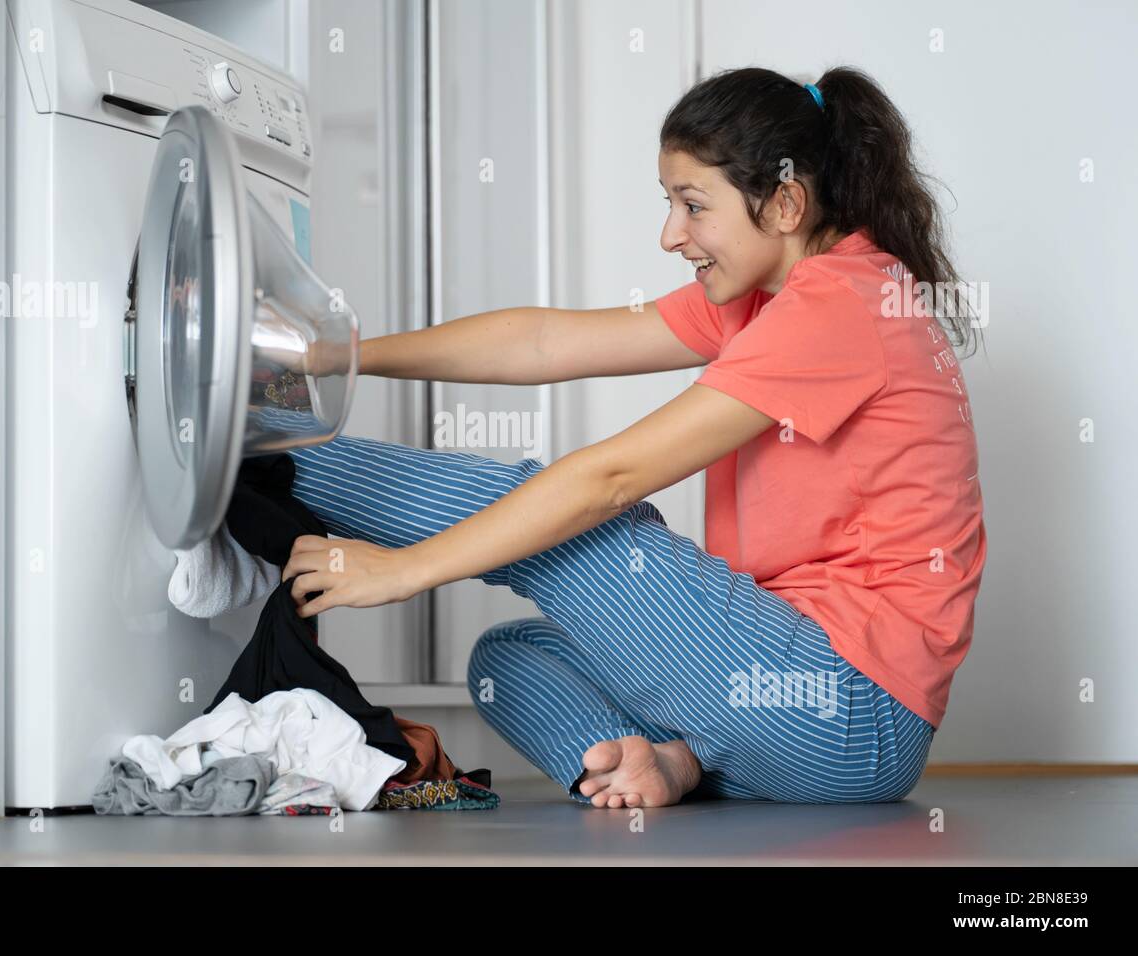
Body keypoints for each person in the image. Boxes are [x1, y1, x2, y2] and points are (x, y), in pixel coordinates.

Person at [279, 65, 987, 809]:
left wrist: (403, 570)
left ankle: (272, 465)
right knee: (509, 656)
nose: (671, 234)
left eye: (693, 206)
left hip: (843, 711)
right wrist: (342, 358)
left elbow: (609, 480)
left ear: (784, 203)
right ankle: (673, 764)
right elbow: (543, 345)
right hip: (792, 710)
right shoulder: (768, 296)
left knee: (586, 524)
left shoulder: (838, 305)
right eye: (669, 204)